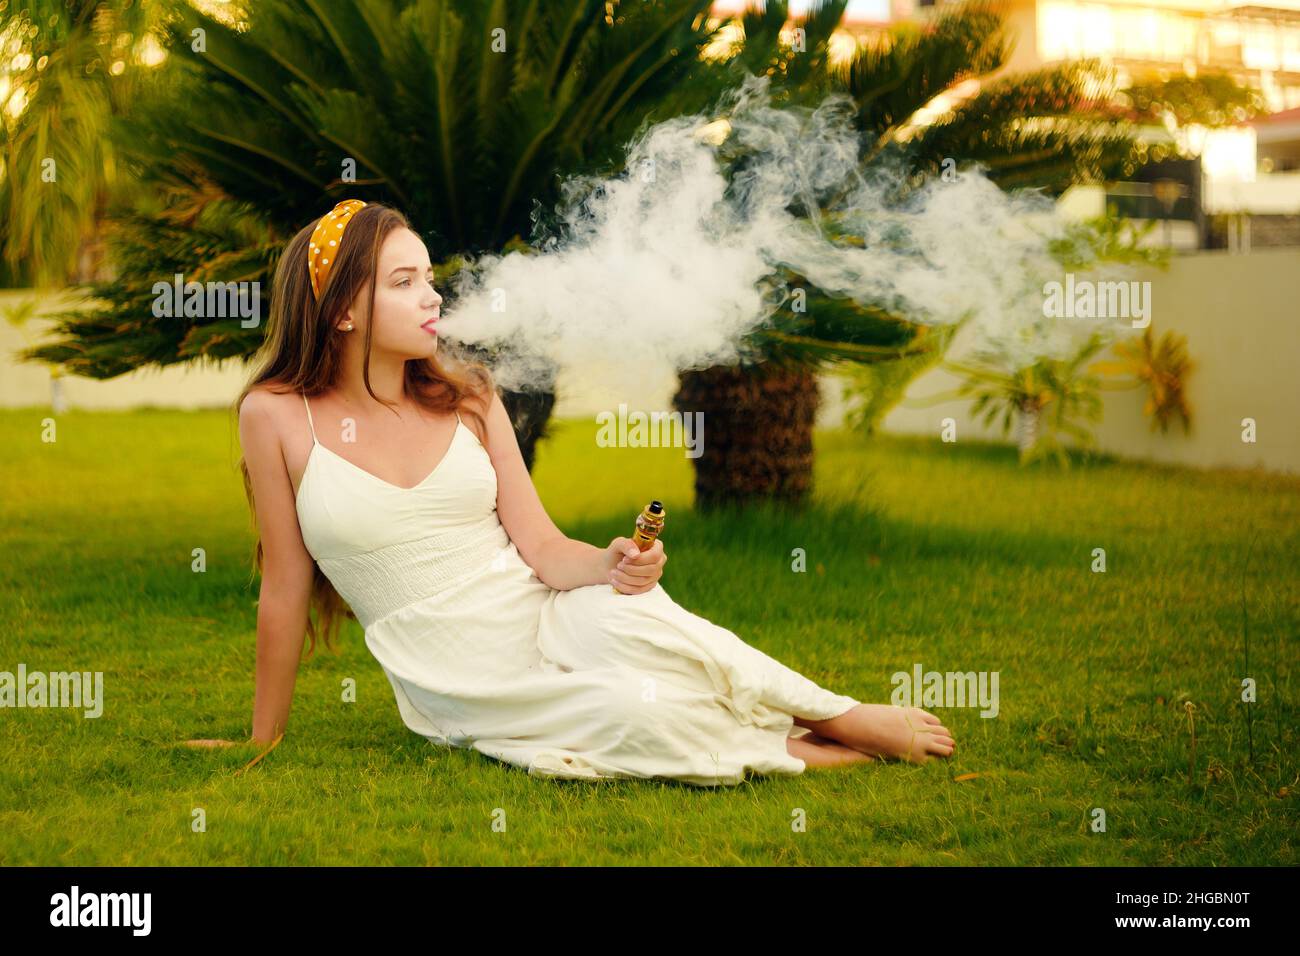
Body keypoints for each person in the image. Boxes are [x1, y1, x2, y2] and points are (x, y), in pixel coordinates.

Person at [186, 200, 955, 786]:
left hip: (541, 604)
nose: (432, 298)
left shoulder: (469, 398)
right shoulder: (276, 417)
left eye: (429, 277)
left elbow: (544, 550)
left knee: (632, 622)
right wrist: (263, 741)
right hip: (453, 667)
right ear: (343, 309)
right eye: (403, 282)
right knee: (619, 710)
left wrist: (613, 562)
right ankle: (799, 751)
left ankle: (841, 714)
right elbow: (284, 589)